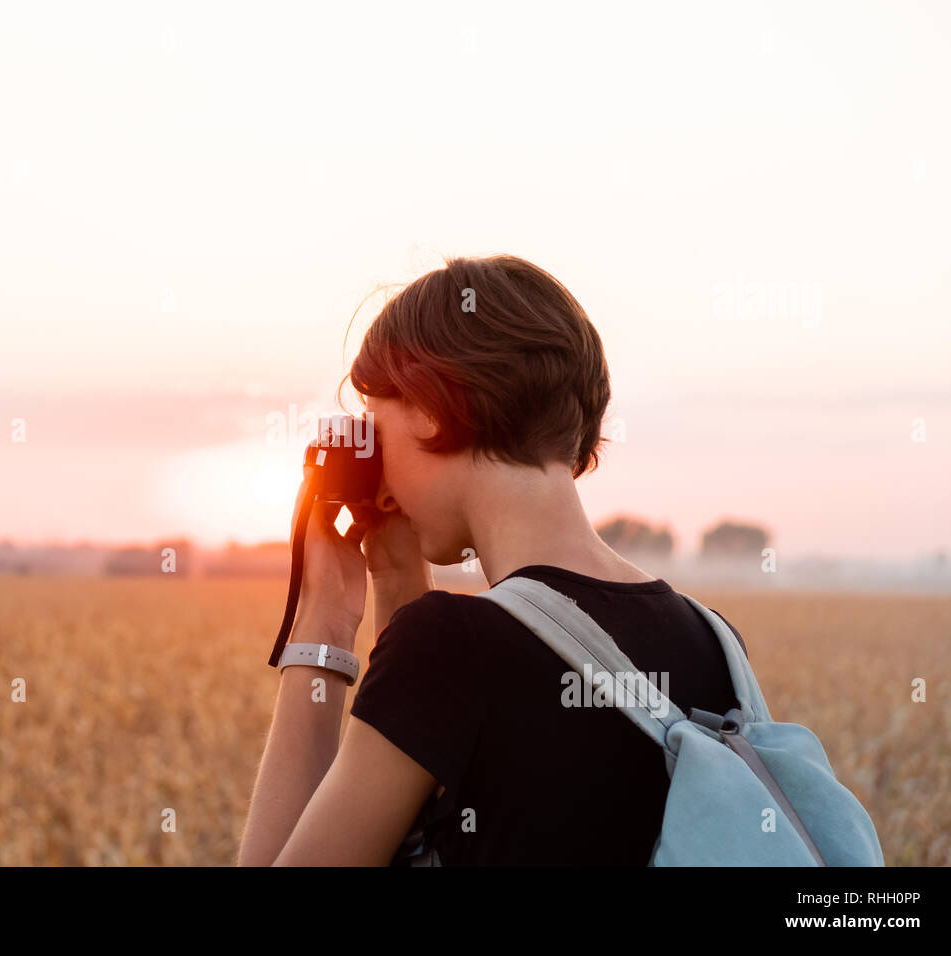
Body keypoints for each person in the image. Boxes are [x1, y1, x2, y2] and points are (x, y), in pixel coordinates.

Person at [236, 254, 750, 866]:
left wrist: (323, 619)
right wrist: (398, 578)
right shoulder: (714, 642)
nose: (381, 472)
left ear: (429, 407)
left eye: (377, 425)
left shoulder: (450, 648)